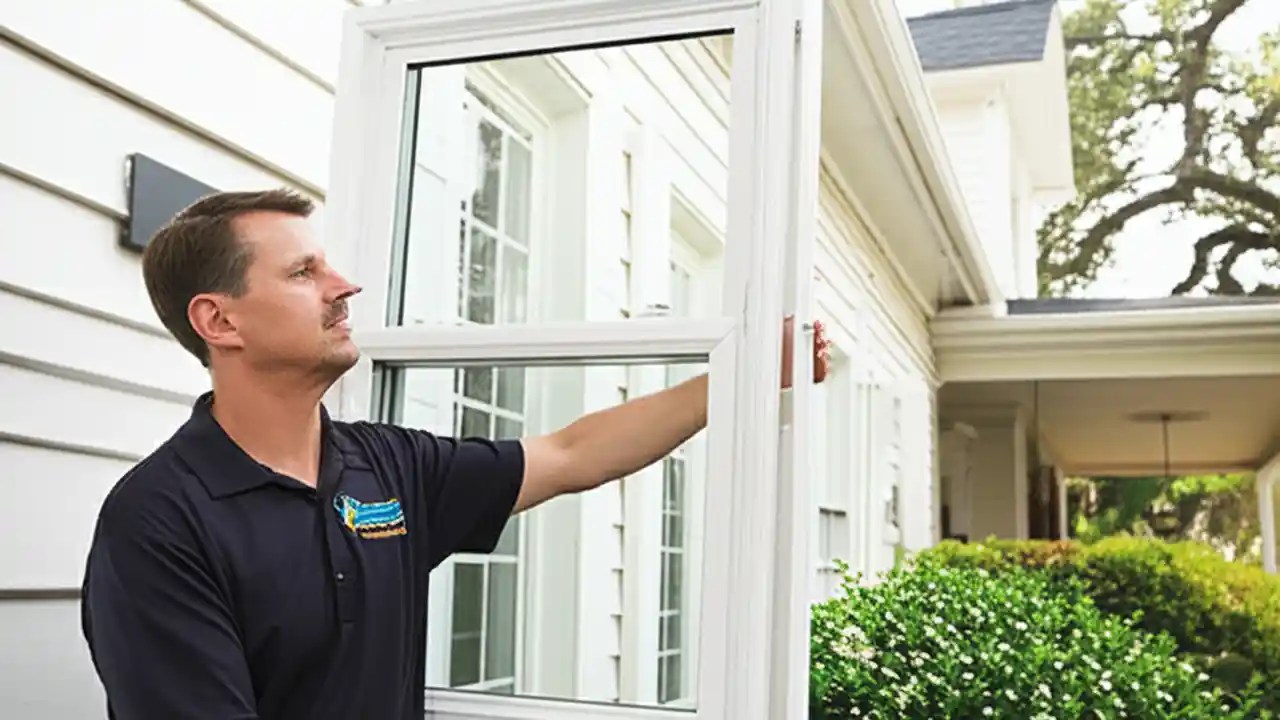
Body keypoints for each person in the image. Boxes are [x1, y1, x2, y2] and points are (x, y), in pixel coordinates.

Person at [80, 189, 828, 719]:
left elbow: (573, 453)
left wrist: (749, 373)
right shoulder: (158, 521)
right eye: (305, 273)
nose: (345, 287)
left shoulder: (389, 468)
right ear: (220, 320)